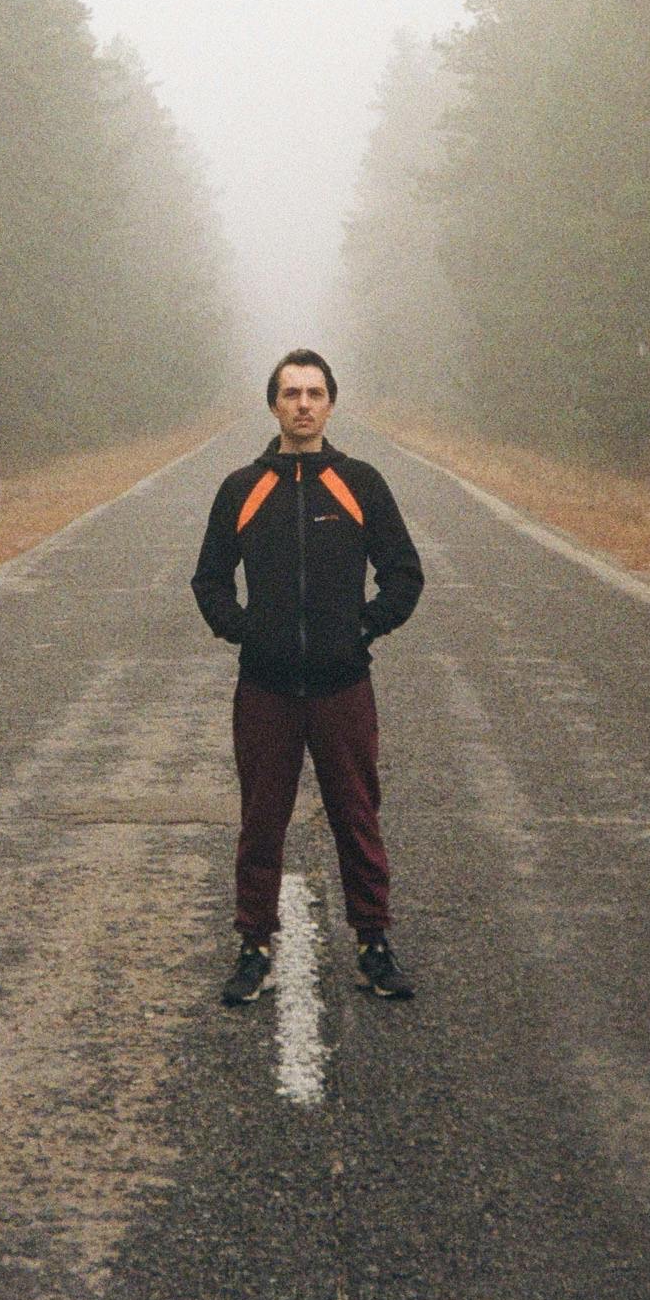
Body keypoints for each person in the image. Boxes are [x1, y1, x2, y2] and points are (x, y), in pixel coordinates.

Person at [190, 348, 425, 1005]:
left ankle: (374, 943)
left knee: (357, 815)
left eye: (314, 392)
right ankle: (253, 946)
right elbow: (209, 578)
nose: (302, 403)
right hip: (265, 687)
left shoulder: (361, 483)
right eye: (290, 392)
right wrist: (244, 630)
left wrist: (364, 627)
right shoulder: (243, 486)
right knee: (261, 821)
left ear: (330, 403)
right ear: (274, 404)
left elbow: (404, 572)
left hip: (343, 685)